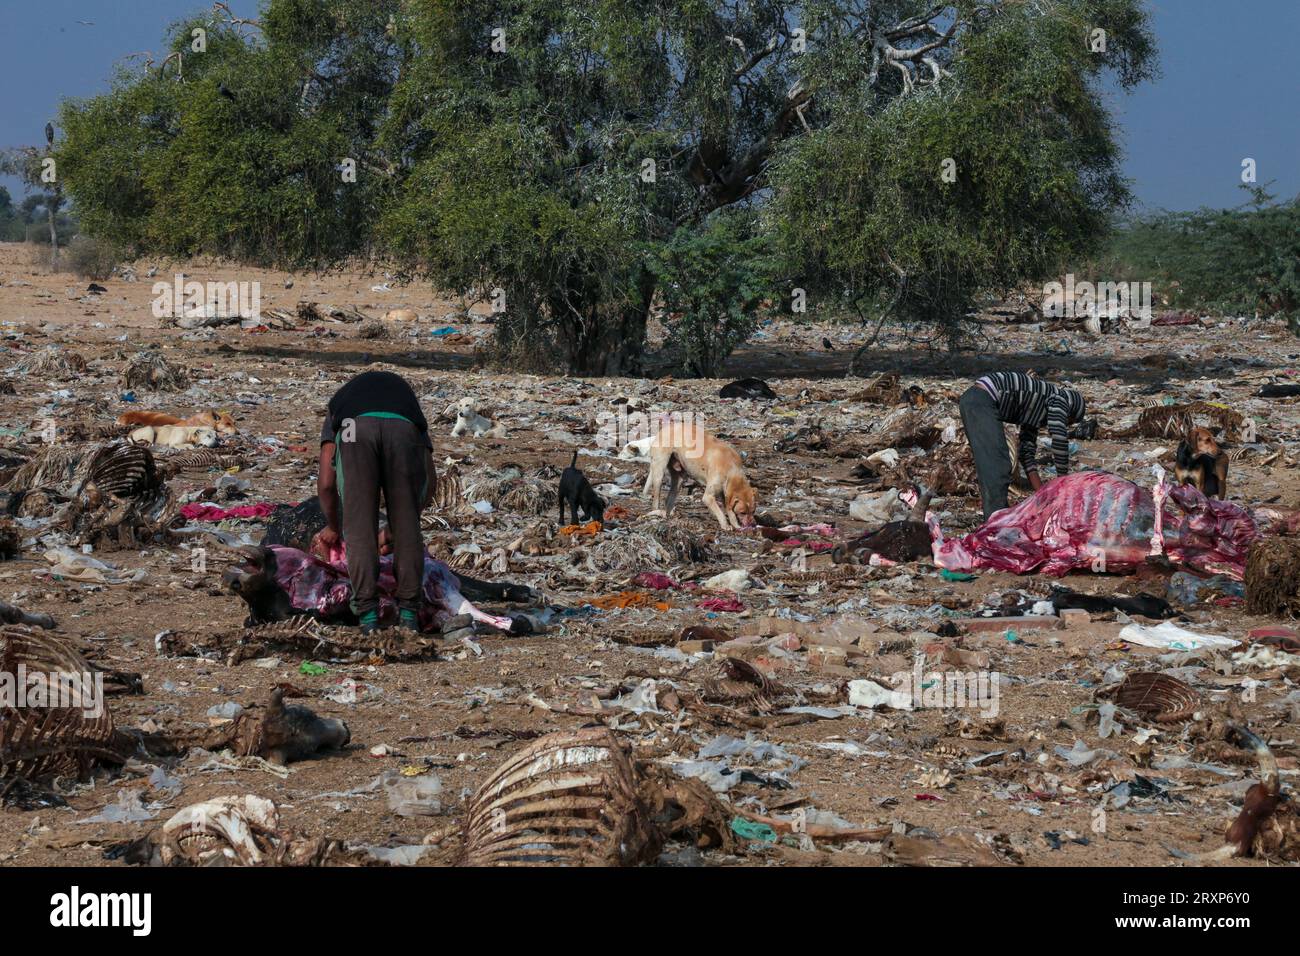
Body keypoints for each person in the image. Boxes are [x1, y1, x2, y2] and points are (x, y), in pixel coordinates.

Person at [312, 370, 435, 634]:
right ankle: (409, 617)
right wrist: (402, 522)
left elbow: (325, 483)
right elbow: (429, 480)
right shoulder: (407, 402)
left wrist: (334, 525)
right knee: (407, 530)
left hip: (354, 429)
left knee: (358, 527)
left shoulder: (339, 405)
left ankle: (368, 617)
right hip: (404, 431)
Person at [958, 370, 1086, 520]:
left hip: (976, 401)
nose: (1066, 423)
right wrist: (1063, 485)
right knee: (997, 466)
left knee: (993, 465)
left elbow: (1026, 453)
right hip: (981, 400)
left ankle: (995, 521)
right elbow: (1059, 439)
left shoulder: (1036, 409)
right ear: (1072, 409)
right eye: (1069, 420)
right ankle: (995, 527)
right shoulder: (1061, 398)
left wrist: (1043, 497)